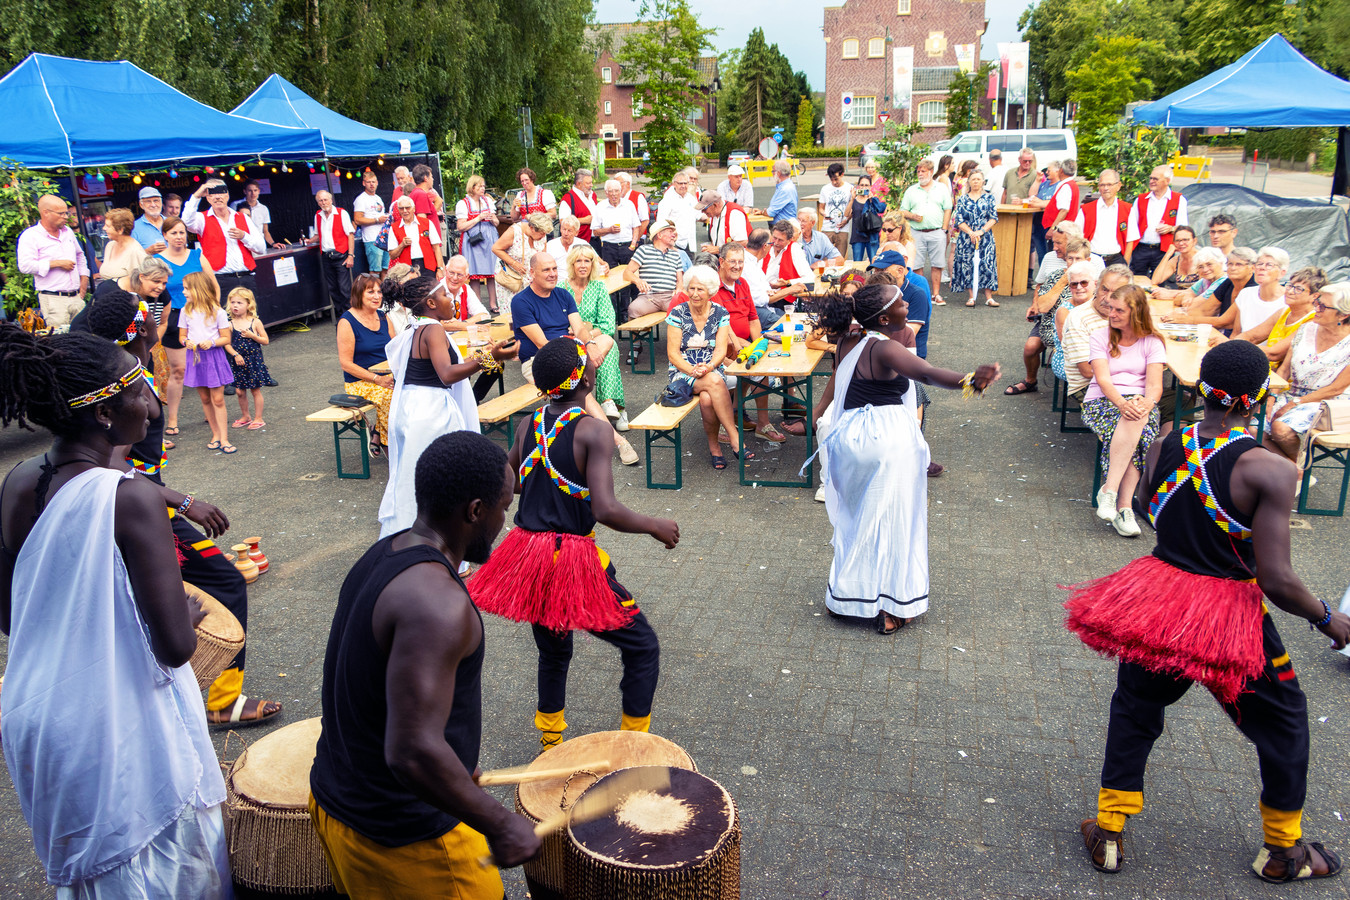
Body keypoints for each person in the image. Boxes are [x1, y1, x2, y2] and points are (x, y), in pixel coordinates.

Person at [1067, 338, 1350, 883]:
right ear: (1258, 396)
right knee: (1285, 722)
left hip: (1158, 600)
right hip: (1228, 616)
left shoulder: (1168, 442)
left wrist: (1189, 547)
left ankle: (1108, 832)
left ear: (1203, 389)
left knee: (1135, 709)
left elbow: (1149, 506)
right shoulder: (1269, 469)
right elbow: (1278, 579)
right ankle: (1283, 852)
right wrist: (1326, 618)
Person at [0, 326, 233, 899]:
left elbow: (13, 616)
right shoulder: (127, 499)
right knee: (162, 872)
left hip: (42, 717)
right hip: (116, 726)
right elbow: (175, 647)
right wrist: (186, 611)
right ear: (104, 414)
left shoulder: (17, 482)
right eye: (137, 388)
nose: (152, 404)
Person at [310, 431, 542, 896]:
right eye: (502, 507)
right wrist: (499, 823)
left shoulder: (385, 552)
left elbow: (376, 693)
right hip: (406, 837)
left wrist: (452, 769)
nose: (505, 519)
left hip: (338, 805)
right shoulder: (438, 604)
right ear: (475, 511)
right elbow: (412, 751)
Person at [80, 292, 279, 727]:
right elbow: (113, 466)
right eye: (148, 312)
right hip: (140, 513)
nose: (159, 316)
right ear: (138, 328)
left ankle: (185, 693)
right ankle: (214, 699)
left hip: (144, 504)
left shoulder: (130, 367)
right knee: (222, 582)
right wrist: (184, 502)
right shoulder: (123, 378)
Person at [468, 338, 679, 748]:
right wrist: (655, 524)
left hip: (526, 556)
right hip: (571, 560)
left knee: (554, 652)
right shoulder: (595, 431)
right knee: (642, 646)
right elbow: (604, 509)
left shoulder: (529, 425)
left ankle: (551, 743)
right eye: (590, 358)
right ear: (583, 377)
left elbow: (503, 480)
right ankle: (633, 747)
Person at [812, 283, 1000, 633]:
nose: (905, 304)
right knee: (896, 521)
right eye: (899, 301)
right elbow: (926, 374)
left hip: (851, 439)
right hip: (884, 440)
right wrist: (972, 380)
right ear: (884, 317)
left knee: (859, 518)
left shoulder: (849, 337)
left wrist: (819, 413)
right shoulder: (884, 348)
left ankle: (850, 594)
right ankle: (893, 605)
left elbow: (841, 378)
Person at [378, 275, 516, 537]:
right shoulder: (434, 329)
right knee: (444, 480)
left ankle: (412, 538)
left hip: (414, 408)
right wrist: (491, 357)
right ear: (431, 302)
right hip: (431, 412)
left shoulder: (416, 327)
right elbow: (446, 374)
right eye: (446, 296)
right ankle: (441, 543)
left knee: (415, 478)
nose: (452, 300)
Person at [512, 253, 639, 465]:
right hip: (540, 362)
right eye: (546, 270)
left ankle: (603, 403)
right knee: (581, 391)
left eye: (554, 269)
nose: (552, 274)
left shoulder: (563, 295)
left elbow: (579, 327)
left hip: (571, 353)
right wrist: (579, 352)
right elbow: (543, 344)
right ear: (532, 273)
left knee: (606, 340)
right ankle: (618, 440)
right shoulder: (521, 301)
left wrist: (588, 345)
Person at [1083, 284, 1166, 536]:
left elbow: (1155, 386)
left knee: (1138, 421)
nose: (1112, 314)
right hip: (1103, 400)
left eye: (1119, 310)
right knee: (1137, 426)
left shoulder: (1152, 342)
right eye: (1110, 308)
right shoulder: (1100, 336)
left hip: (1140, 402)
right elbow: (1103, 380)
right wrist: (1123, 403)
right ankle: (1122, 504)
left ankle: (1112, 494)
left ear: (1136, 312)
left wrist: (1146, 403)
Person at [663, 267, 756, 468]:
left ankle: (715, 448)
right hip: (682, 372)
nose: (695, 294)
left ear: (711, 292)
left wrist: (710, 366)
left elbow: (721, 350)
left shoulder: (720, 313)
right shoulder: (677, 313)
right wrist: (691, 370)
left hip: (712, 367)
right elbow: (673, 354)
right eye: (692, 288)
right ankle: (735, 438)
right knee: (714, 381)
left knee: (707, 398)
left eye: (700, 289)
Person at [1264, 282, 1350, 462]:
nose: (1315, 308)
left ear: (1344, 314)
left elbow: (1336, 389)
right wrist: (1272, 396)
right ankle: (1297, 470)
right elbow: (1285, 368)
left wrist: (1295, 403)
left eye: (1323, 306)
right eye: (1317, 302)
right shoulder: (1306, 328)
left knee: (1280, 429)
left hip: (1328, 403)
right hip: (1292, 395)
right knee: (1254, 426)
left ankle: (1298, 469)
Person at [714, 243, 787, 443]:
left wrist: (757, 345)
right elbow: (722, 327)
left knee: (765, 360)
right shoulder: (713, 287)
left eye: (740, 262)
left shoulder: (742, 284)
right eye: (732, 261)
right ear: (721, 262)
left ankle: (755, 420)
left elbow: (753, 318)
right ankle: (757, 421)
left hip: (743, 344)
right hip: (723, 348)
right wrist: (744, 346)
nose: (737, 266)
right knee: (758, 370)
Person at [1006, 232, 1092, 395]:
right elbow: (1043, 308)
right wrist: (1062, 282)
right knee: (1030, 348)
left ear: (1087, 261)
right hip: (1050, 323)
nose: (1073, 263)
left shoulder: (1093, 279)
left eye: (1078, 259)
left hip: (1083, 327)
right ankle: (1031, 380)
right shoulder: (1056, 276)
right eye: (1070, 258)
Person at [156, 215, 217, 438]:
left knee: (205, 364)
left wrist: (215, 313)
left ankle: (210, 409)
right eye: (174, 233)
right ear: (165, 235)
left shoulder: (197, 255)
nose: (179, 237)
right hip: (174, 318)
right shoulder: (158, 260)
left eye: (182, 232)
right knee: (179, 370)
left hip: (201, 316)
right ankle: (172, 419)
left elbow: (213, 285)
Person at [563, 244, 629, 432]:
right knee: (608, 348)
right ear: (572, 264)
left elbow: (608, 324)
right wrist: (583, 334)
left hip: (594, 339)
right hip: (569, 342)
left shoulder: (598, 286)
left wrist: (586, 335)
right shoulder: (561, 288)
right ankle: (616, 406)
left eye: (587, 261)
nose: (583, 265)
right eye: (578, 261)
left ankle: (608, 403)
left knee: (610, 347)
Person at [179, 272, 236, 455]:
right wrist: (185, 342)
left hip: (214, 357)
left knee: (218, 399)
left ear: (198, 289)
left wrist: (211, 342)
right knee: (204, 398)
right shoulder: (185, 310)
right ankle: (215, 434)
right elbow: (182, 335)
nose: (183, 292)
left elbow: (226, 337)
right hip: (195, 356)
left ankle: (225, 438)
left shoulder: (217, 311)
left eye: (187, 288)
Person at [338, 273, 396, 454]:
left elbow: (396, 350)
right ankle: (390, 447)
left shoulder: (384, 317)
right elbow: (346, 364)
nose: (377, 296)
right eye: (370, 292)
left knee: (413, 389)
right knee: (390, 396)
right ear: (359, 294)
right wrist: (376, 379)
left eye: (379, 291)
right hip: (360, 382)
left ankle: (378, 432)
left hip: (386, 377)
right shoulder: (347, 321)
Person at [1224, 266, 1325, 369]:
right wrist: (1230, 346)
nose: (1290, 291)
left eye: (1298, 289)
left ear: (1314, 296)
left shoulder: (1312, 321)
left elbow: (1274, 353)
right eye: (1290, 285)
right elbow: (1251, 336)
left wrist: (1232, 347)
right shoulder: (1283, 312)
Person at [1062, 265, 1132, 406]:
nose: (1107, 298)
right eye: (1104, 289)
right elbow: (1087, 371)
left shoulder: (1129, 314)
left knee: (1176, 406)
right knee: (1138, 412)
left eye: (1117, 293)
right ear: (1096, 286)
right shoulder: (1078, 317)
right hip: (1089, 387)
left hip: (1127, 381)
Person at [17, 194, 89, 330]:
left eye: (66, 213)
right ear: (46, 213)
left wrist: (84, 281)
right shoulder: (30, 235)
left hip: (76, 297)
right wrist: (56, 263)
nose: (66, 217)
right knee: (61, 343)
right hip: (53, 299)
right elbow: (25, 266)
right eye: (61, 213)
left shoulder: (67, 231)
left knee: (84, 337)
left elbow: (80, 255)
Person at [184, 179, 263, 298]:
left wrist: (244, 237)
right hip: (220, 280)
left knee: (251, 315)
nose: (217, 197)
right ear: (208, 198)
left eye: (220, 192)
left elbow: (261, 248)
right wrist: (196, 196)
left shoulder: (242, 217)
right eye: (212, 193)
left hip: (246, 278)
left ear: (227, 195)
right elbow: (186, 221)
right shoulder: (202, 218)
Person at [1165, 247, 1257, 331]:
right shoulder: (1228, 283)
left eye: (1239, 265)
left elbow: (1225, 322)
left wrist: (1187, 319)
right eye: (1230, 264)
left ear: (1252, 268)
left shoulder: (1252, 288)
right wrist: (1178, 316)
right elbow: (1206, 310)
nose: (1233, 268)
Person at [899, 159, 952, 301]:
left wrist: (944, 229)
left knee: (937, 264)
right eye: (918, 172)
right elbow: (903, 211)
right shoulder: (911, 190)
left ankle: (936, 294)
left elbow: (948, 209)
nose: (920, 174)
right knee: (917, 265)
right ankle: (922, 295)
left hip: (937, 231)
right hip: (916, 232)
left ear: (931, 172)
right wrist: (912, 216)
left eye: (923, 171)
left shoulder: (941, 188)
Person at [1127, 165, 1188, 278]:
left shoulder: (1179, 199)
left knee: (1161, 281)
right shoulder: (1141, 199)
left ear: (1167, 181)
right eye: (1151, 178)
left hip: (1163, 249)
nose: (1151, 181)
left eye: (1156, 179)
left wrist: (1171, 228)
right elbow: (1132, 226)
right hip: (1141, 248)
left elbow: (1183, 227)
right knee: (1137, 281)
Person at [225, 287, 271, 430]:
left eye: (239, 303)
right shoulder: (230, 324)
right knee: (239, 391)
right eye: (233, 302)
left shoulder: (255, 322)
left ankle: (258, 417)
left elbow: (265, 340)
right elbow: (226, 344)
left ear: (248, 304)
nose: (235, 306)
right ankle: (246, 416)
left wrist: (253, 336)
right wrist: (235, 355)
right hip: (238, 362)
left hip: (253, 361)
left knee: (255, 390)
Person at [951, 170, 999, 307]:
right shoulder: (963, 199)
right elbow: (959, 220)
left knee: (987, 264)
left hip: (985, 237)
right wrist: (971, 233)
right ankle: (971, 296)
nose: (976, 182)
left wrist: (981, 231)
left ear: (983, 181)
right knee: (967, 265)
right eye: (973, 179)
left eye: (978, 179)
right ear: (969, 182)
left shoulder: (989, 198)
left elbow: (993, 218)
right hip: (967, 238)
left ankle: (989, 297)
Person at [625, 219, 685, 318]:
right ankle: (639, 333)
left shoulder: (676, 254)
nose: (674, 235)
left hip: (670, 296)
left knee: (687, 309)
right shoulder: (644, 250)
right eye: (670, 232)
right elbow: (627, 272)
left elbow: (680, 281)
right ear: (659, 235)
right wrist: (637, 281)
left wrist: (679, 289)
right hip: (649, 297)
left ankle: (679, 333)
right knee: (633, 309)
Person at [492, 212, 550, 313]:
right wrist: (514, 264)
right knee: (512, 312)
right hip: (511, 278)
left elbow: (542, 257)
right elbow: (496, 248)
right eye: (542, 233)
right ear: (532, 228)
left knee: (531, 311)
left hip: (530, 279)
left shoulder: (542, 234)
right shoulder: (514, 232)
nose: (544, 236)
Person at [453, 175, 498, 302]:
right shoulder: (463, 203)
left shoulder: (488, 201)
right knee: (474, 274)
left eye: (484, 186)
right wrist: (478, 218)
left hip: (489, 239)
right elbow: (461, 226)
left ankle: (493, 303)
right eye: (480, 186)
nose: (483, 188)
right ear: (472, 187)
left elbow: (497, 223)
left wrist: (493, 218)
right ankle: (477, 303)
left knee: (492, 272)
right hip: (473, 240)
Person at [313, 190, 356, 318]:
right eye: (320, 200)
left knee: (344, 289)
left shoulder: (342, 213)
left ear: (331, 200)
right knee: (333, 289)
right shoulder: (318, 215)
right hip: (326, 256)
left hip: (340, 255)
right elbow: (317, 235)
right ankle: (341, 316)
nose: (323, 202)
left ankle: (350, 316)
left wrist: (350, 255)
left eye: (325, 199)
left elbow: (350, 235)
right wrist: (308, 241)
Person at [1232, 247, 1291, 335]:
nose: (1262, 268)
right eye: (1259, 264)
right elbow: (1236, 333)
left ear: (1282, 273)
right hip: (1242, 346)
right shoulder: (1246, 294)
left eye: (1269, 265)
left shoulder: (1289, 300)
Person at [593, 178, 643, 282]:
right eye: (610, 191)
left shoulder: (629, 205)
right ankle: (613, 299)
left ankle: (626, 299)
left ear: (621, 192)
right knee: (610, 277)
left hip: (627, 246)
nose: (614, 194)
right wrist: (609, 230)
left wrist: (633, 245)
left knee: (628, 277)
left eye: (616, 191)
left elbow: (636, 226)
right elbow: (595, 231)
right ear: (606, 193)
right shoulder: (600, 207)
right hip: (609, 247)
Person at [1081, 169, 1131, 267]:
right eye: (1102, 185)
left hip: (1116, 260)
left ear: (1118, 186)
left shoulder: (1127, 209)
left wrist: (1125, 263)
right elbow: (1077, 237)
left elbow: (1130, 239)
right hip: (1093, 259)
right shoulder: (1086, 209)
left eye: (1109, 184)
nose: (1106, 188)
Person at [390, 196, 444, 280]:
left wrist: (440, 269)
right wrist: (402, 245)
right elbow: (392, 255)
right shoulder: (394, 228)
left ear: (414, 209)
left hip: (428, 267)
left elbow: (436, 248)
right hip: (407, 270)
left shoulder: (427, 223)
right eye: (401, 208)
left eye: (407, 208)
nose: (405, 211)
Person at [96, 207, 148, 291]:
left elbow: (140, 285)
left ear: (120, 230)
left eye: (108, 226)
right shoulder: (110, 245)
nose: (104, 228)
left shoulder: (135, 251)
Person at [1151, 247, 1225, 305]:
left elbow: (1196, 305)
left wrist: (1189, 297)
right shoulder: (1205, 280)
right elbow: (1185, 294)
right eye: (1200, 267)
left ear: (1221, 263)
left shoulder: (1222, 282)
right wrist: (1169, 293)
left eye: (1209, 264)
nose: (1205, 270)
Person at [353, 170, 391, 276]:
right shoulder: (361, 199)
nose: (371, 184)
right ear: (364, 183)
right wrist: (377, 220)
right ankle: (373, 292)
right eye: (369, 182)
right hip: (371, 239)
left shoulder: (378, 198)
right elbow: (357, 219)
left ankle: (384, 292)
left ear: (377, 182)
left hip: (383, 238)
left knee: (385, 270)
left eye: (373, 182)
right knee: (375, 271)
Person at [232, 179, 282, 249]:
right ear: (245, 191)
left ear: (259, 191)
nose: (253, 193)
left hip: (259, 245)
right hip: (242, 245)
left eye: (255, 190)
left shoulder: (263, 208)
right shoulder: (235, 205)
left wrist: (273, 243)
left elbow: (265, 231)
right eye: (250, 191)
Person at [656, 171, 699, 253]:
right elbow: (661, 224)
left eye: (685, 183)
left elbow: (698, 215)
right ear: (674, 184)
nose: (683, 186)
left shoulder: (691, 198)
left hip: (689, 244)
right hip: (674, 244)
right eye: (680, 183)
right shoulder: (667, 200)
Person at [818, 163, 854, 257]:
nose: (834, 182)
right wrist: (825, 214)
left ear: (842, 174)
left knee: (840, 257)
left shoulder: (849, 188)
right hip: (827, 227)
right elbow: (821, 208)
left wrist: (846, 221)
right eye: (831, 179)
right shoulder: (825, 189)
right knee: (825, 256)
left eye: (836, 179)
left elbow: (852, 209)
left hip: (843, 228)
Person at [1150, 225, 1199, 290]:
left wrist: (1171, 293)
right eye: (1177, 240)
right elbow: (1155, 281)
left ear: (1194, 241)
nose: (1181, 243)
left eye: (1185, 240)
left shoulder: (1203, 258)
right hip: (1180, 298)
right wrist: (1167, 255)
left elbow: (1203, 290)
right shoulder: (1176, 261)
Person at [848, 176, 884, 262]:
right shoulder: (854, 199)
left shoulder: (873, 199)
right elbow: (847, 214)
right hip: (857, 235)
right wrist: (852, 199)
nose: (864, 187)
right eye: (862, 185)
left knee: (874, 262)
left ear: (871, 187)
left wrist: (872, 199)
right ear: (858, 186)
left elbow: (881, 209)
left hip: (871, 235)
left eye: (867, 185)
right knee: (857, 263)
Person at [559, 169, 598, 248]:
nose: (591, 185)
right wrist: (585, 220)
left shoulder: (592, 195)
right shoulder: (568, 199)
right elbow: (563, 221)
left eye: (591, 182)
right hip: (578, 243)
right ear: (579, 184)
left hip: (596, 239)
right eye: (588, 183)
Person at [131, 186, 169, 254]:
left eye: (156, 200)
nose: (153, 205)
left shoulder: (172, 223)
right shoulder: (133, 228)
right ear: (141, 205)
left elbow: (184, 249)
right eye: (148, 201)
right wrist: (147, 252)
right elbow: (131, 257)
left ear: (161, 202)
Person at [615, 171, 650, 242]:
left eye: (618, 183)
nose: (616, 187)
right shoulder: (616, 198)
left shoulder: (638, 197)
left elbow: (645, 221)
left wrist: (636, 240)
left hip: (635, 239)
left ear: (627, 183)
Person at [765, 159, 799, 225]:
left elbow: (770, 213)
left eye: (773, 171)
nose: (772, 173)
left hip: (783, 228)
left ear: (778, 173)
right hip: (782, 225)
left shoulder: (785, 189)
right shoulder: (784, 186)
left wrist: (763, 211)